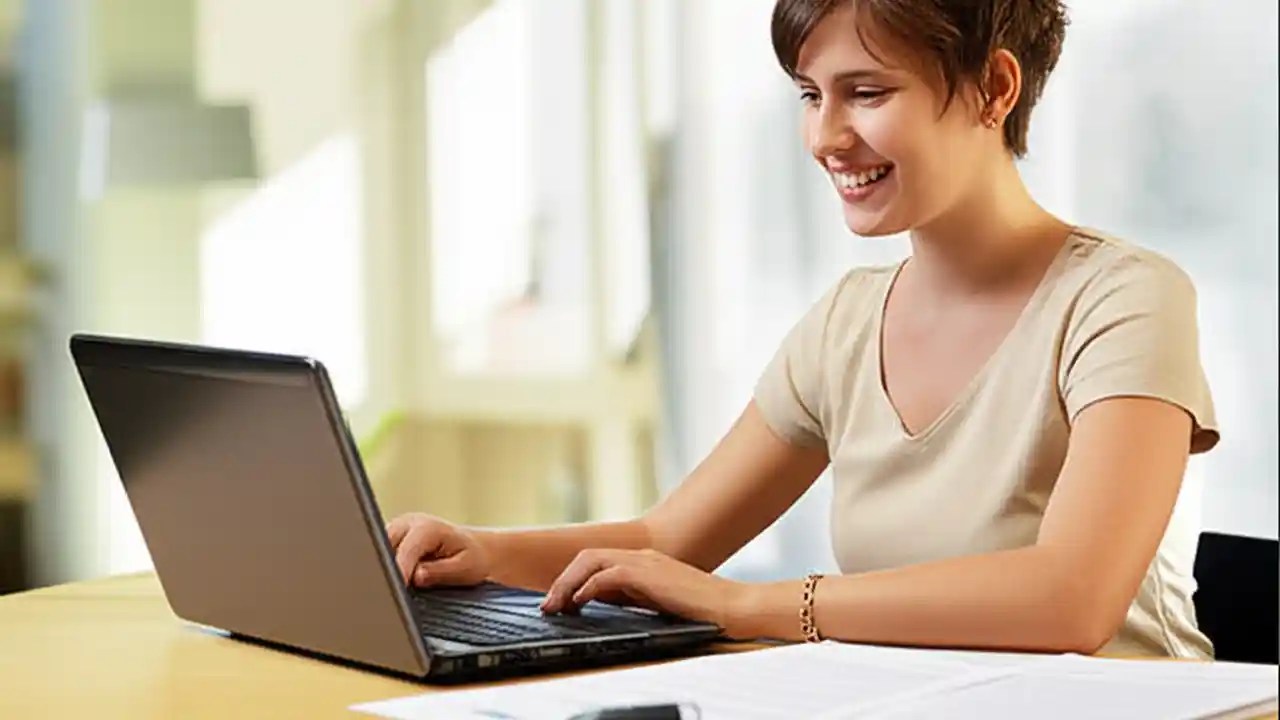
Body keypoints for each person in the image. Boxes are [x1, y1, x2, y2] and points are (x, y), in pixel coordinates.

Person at [387, 0, 1219, 659]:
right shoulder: (847, 323)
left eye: (867, 92)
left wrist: (750, 604)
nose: (825, 137)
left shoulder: (1124, 299)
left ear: (994, 89)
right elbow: (666, 540)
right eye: (811, 95)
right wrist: (483, 552)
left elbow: (1070, 598)